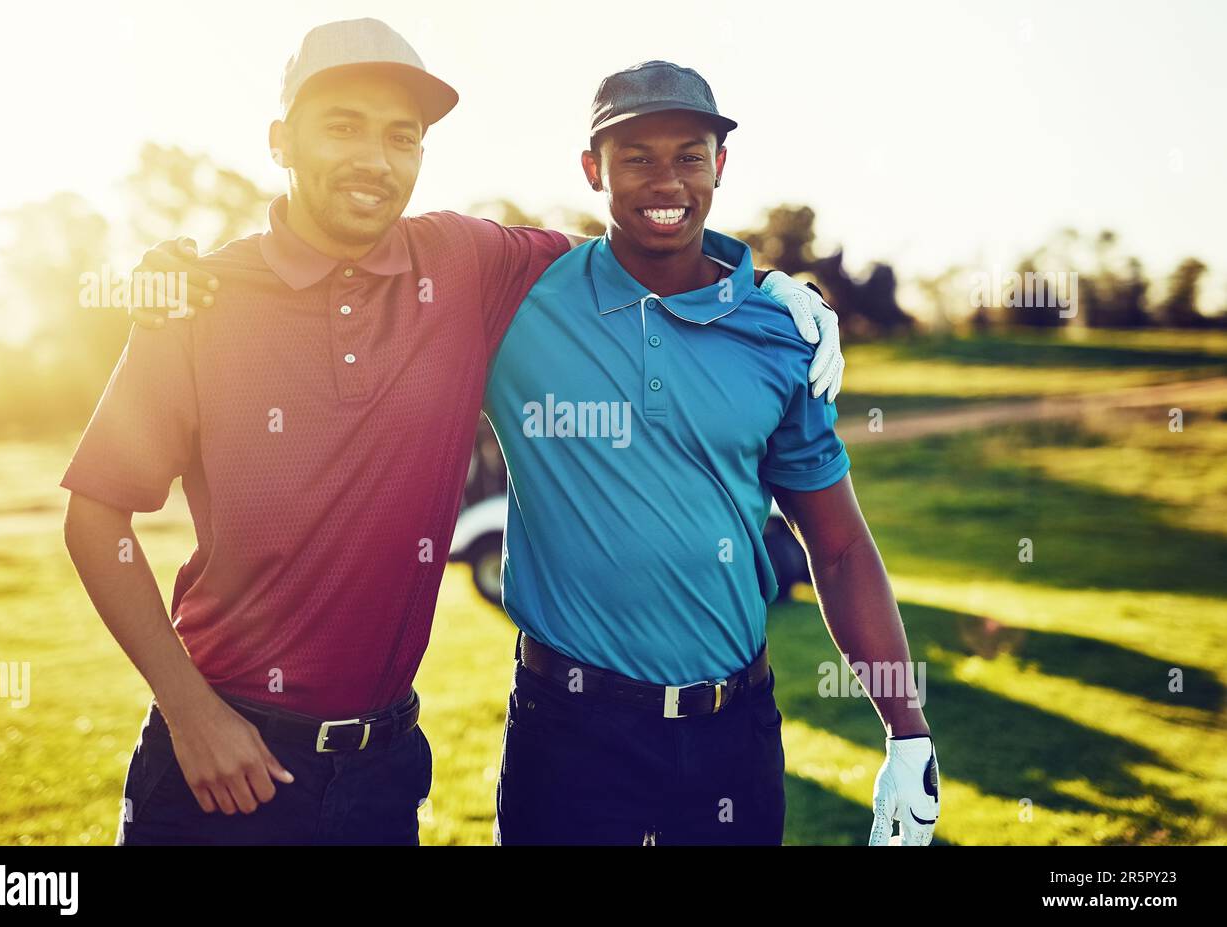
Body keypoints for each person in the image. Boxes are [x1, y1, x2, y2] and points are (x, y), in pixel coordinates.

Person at [63, 19, 843, 845]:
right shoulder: (200, 299)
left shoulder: (465, 261)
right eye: (343, 126)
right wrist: (190, 715)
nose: (375, 158)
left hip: (382, 770)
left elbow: (645, 240)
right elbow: (96, 516)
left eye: (403, 136)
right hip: (221, 762)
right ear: (280, 140)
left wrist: (764, 287)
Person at [484, 60, 939, 845]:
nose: (668, 180)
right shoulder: (521, 301)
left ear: (719, 166)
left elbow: (836, 548)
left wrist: (908, 732)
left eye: (689, 155)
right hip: (569, 735)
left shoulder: (776, 331)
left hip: (733, 734)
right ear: (592, 169)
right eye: (636, 157)